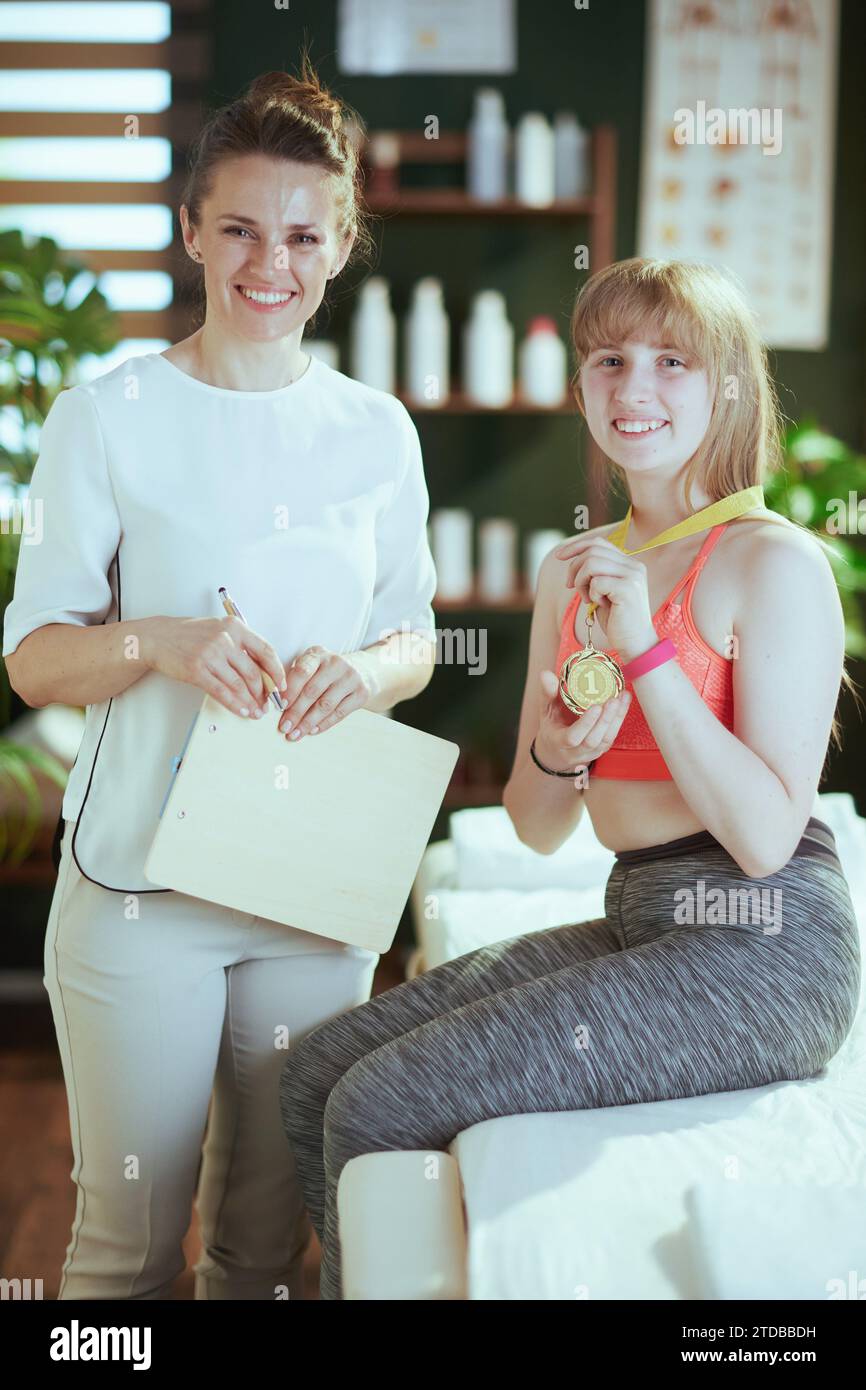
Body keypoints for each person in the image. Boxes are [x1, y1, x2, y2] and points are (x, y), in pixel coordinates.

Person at [279, 257, 863, 1300]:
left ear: (723, 383)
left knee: (374, 1103)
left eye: (670, 362)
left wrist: (646, 656)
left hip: (763, 942)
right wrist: (560, 743)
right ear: (582, 383)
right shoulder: (574, 568)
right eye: (608, 360)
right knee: (312, 1072)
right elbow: (539, 824)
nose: (633, 388)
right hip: (640, 914)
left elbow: (766, 835)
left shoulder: (772, 563)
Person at [2, 59, 439, 1299]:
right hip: (140, 882)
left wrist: (360, 669)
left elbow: (411, 636)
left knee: (271, 1252)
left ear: (341, 244)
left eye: (303, 234)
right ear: (192, 229)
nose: (270, 262)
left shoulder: (376, 432)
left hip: (308, 888)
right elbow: (33, 657)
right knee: (123, 1253)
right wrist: (161, 641)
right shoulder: (107, 416)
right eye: (239, 227)